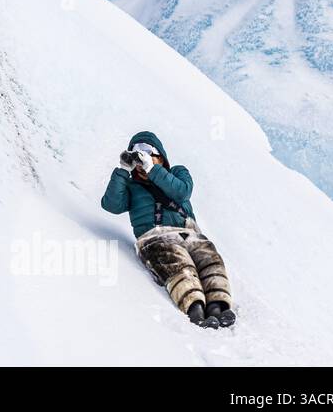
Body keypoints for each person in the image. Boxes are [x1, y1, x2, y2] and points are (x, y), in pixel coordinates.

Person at [100, 130, 236, 328]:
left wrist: (153, 170)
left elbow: (182, 192)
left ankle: (217, 305)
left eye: (146, 157)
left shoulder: (178, 173)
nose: (140, 165)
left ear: (160, 157)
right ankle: (194, 307)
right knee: (176, 262)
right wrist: (122, 170)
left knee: (209, 258)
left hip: (191, 233)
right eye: (137, 159)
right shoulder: (131, 186)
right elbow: (111, 205)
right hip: (155, 237)